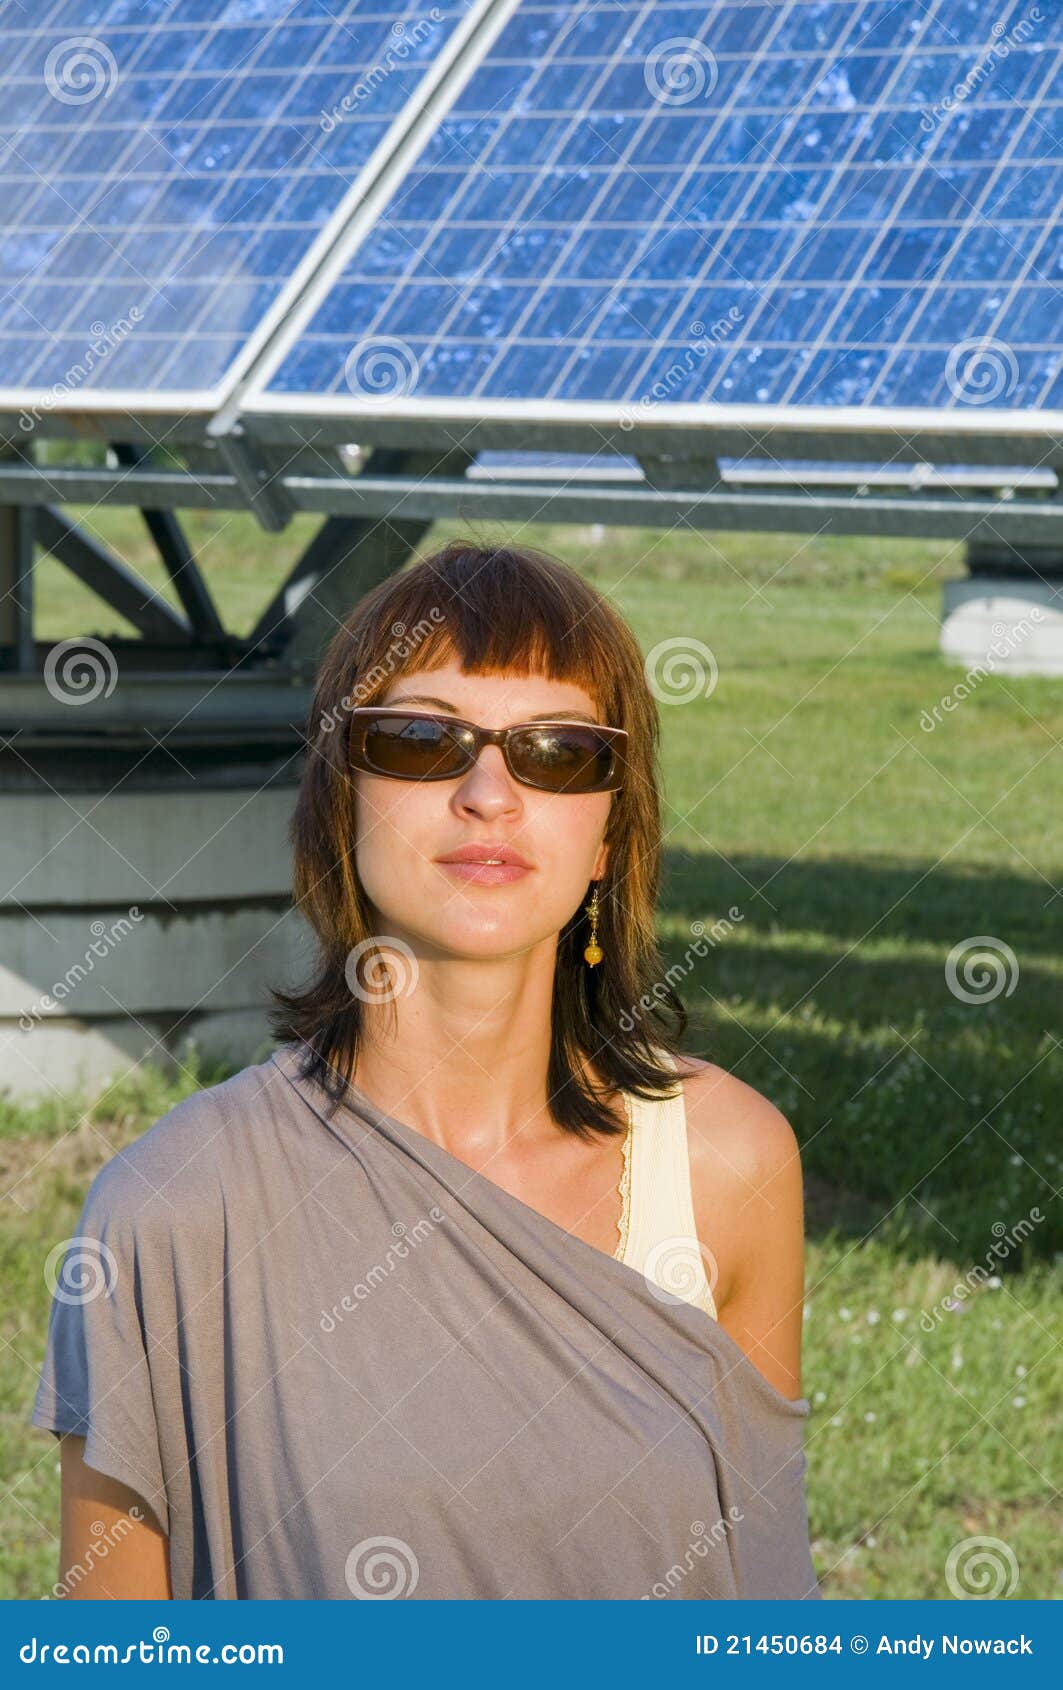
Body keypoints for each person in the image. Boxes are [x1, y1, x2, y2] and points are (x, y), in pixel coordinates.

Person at [32, 539, 818, 1600]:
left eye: (558, 751)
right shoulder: (172, 1207)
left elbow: (763, 1602)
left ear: (606, 837)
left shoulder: (728, 1162)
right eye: (419, 740)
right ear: (338, 798)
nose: (489, 792)